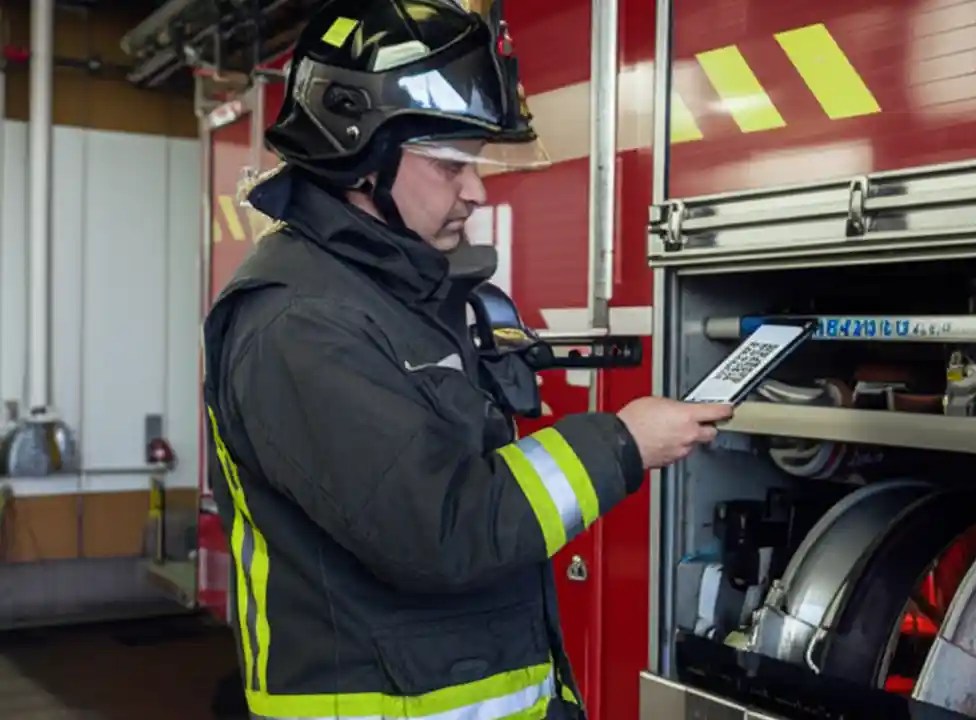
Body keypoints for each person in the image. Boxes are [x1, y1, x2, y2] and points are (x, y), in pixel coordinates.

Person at [200, 1, 734, 718]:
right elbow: (442, 530)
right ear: (359, 157)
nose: (476, 190)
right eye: (450, 165)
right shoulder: (300, 325)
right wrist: (624, 442)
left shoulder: (390, 292)